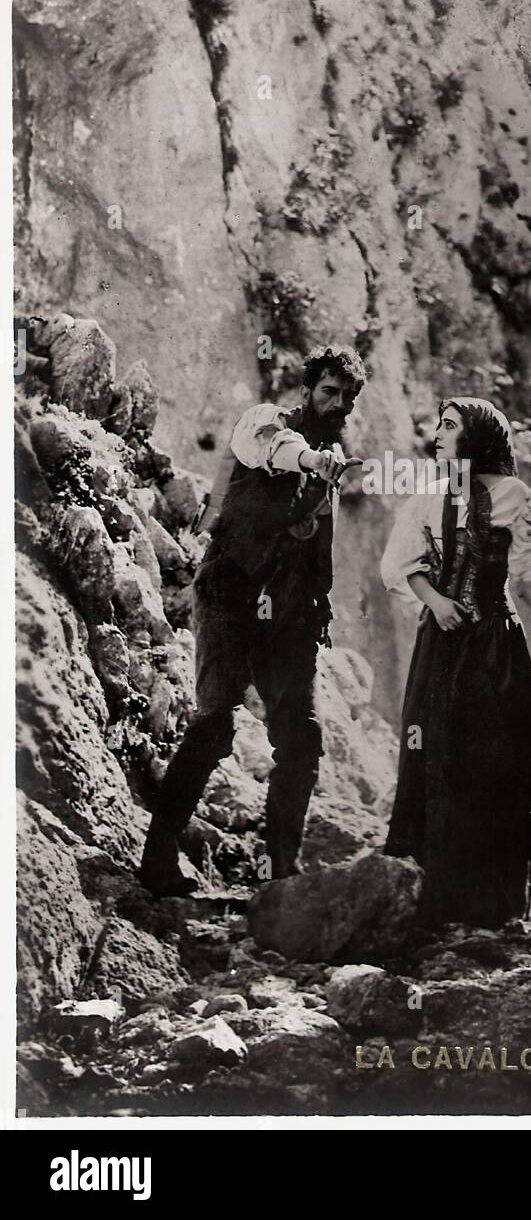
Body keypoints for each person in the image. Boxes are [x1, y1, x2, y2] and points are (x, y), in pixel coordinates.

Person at [139, 344, 366, 896]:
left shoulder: (333, 463)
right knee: (214, 724)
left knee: (302, 739)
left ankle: (280, 874)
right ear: (308, 389)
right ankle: (158, 858)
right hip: (230, 593)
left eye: (346, 398)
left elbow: (317, 550)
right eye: (327, 391)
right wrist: (312, 460)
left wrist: (318, 610)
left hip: (289, 613)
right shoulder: (267, 421)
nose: (335, 404)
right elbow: (273, 448)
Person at [381, 397, 531, 930]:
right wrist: (438, 603)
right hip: (442, 644)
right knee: (440, 753)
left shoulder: (515, 495)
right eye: (439, 425)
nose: (439, 434)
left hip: (495, 646)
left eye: (450, 426)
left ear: (478, 437)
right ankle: (442, 896)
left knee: (494, 762)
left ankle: (497, 902)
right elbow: (403, 567)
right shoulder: (429, 499)